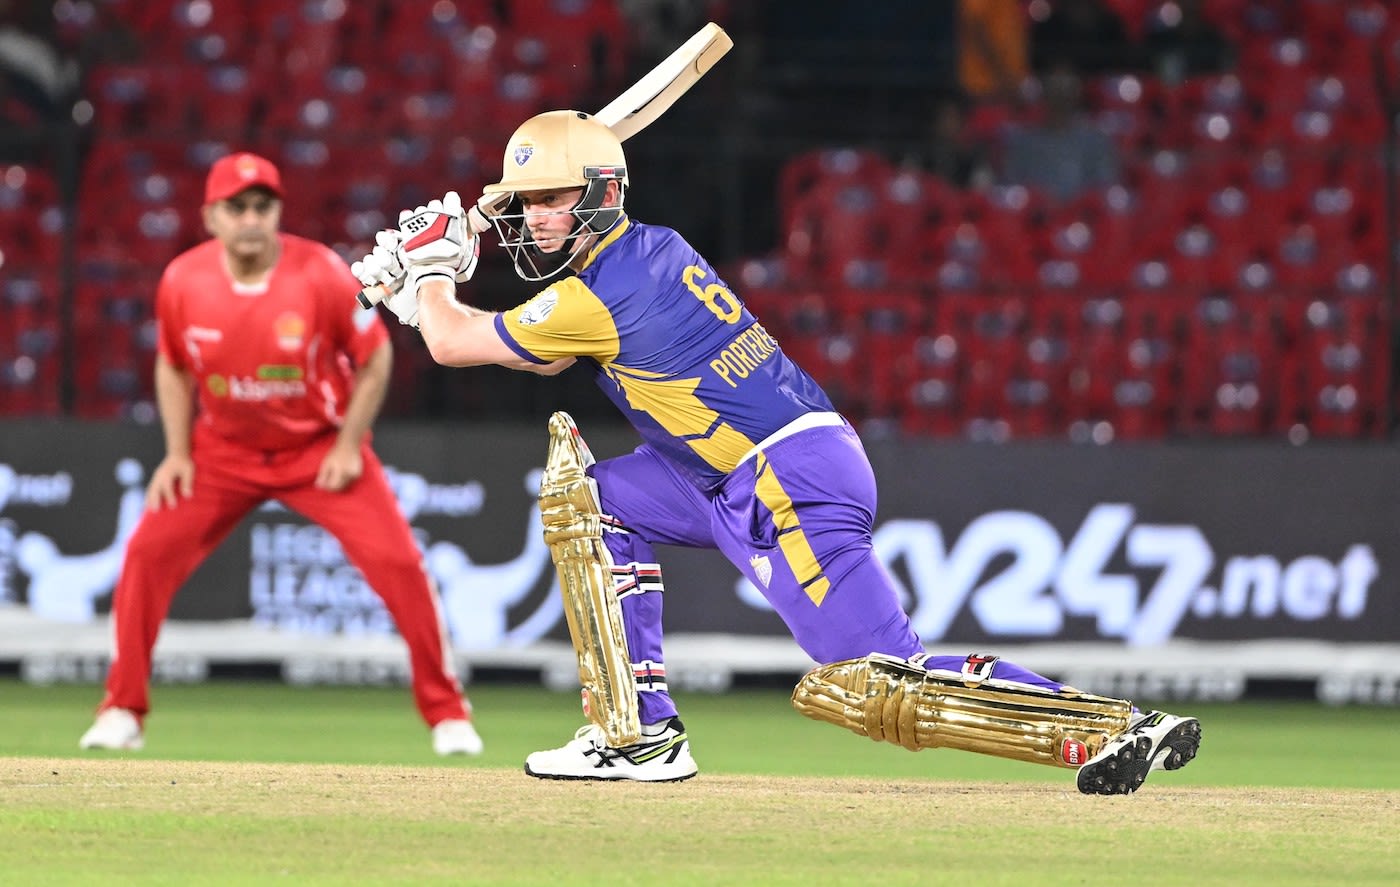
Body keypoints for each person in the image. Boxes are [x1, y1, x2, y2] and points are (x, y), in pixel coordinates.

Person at [351, 110, 1200, 793]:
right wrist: (423, 294)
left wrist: (426, 274)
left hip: (781, 477)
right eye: (527, 200)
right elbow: (517, 335)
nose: (535, 217)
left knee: (873, 681)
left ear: (602, 195)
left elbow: (460, 343)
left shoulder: (601, 293)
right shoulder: (651, 251)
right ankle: (637, 736)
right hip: (728, 471)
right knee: (591, 501)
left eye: (552, 198)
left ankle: (1105, 727)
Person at [78, 152, 482, 757]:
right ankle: (122, 710)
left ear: (277, 213)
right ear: (210, 216)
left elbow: (375, 361)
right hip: (222, 451)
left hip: (317, 450)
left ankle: (447, 714)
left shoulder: (322, 273)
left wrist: (349, 445)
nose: (249, 218)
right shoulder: (182, 280)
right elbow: (171, 365)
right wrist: (177, 452)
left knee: (399, 566)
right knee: (145, 556)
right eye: (235, 207)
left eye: (261, 206)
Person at [1000, 61, 1120, 201]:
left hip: (1083, 218)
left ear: (1077, 95)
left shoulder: (1097, 141)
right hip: (1035, 218)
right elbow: (1011, 192)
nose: (1060, 97)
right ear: (1044, 94)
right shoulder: (1022, 142)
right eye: (1055, 90)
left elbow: (1106, 191)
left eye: (1066, 91)